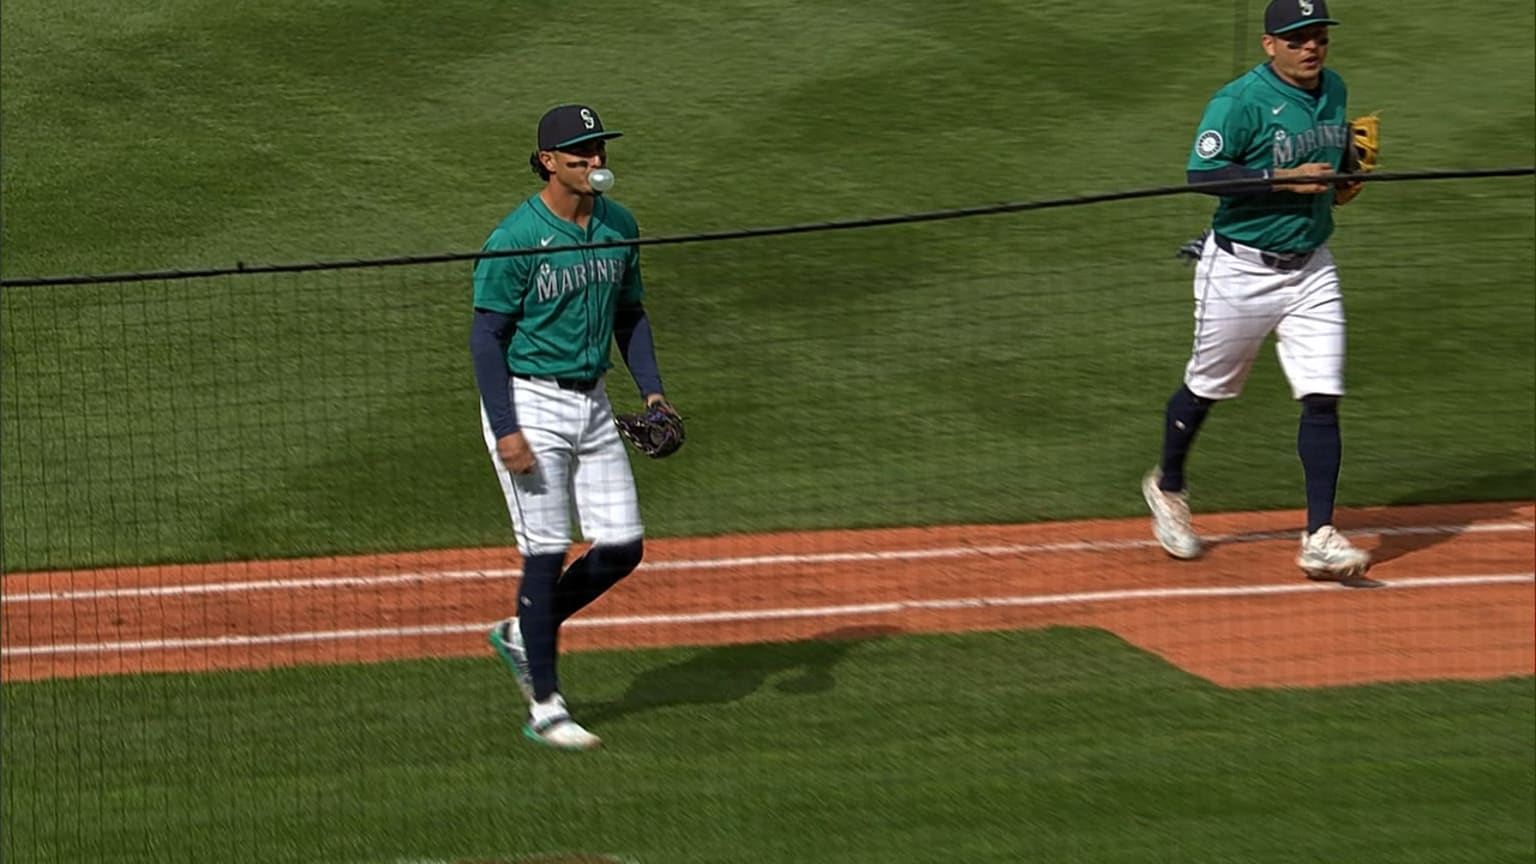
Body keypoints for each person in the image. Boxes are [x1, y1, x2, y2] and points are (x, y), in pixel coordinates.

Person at [1142, 0, 1374, 584]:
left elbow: (1332, 163)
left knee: (1322, 395)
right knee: (1207, 386)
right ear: (1270, 45)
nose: (1311, 47)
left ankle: (1319, 535)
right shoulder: (1238, 102)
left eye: (1318, 35)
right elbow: (1201, 175)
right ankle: (1168, 487)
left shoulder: (1335, 89)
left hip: (1312, 267)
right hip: (1239, 271)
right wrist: (1281, 179)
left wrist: (1344, 168)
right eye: (1297, 39)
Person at [470, 103, 677, 750]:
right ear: (548, 162)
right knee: (546, 548)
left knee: (622, 547)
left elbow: (630, 315)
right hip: (530, 402)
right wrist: (506, 428)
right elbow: (485, 338)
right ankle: (546, 707)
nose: (596, 161)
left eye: (600, 150)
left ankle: (520, 632)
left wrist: (655, 395)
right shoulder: (514, 239)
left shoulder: (619, 225)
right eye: (581, 152)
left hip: (592, 401)